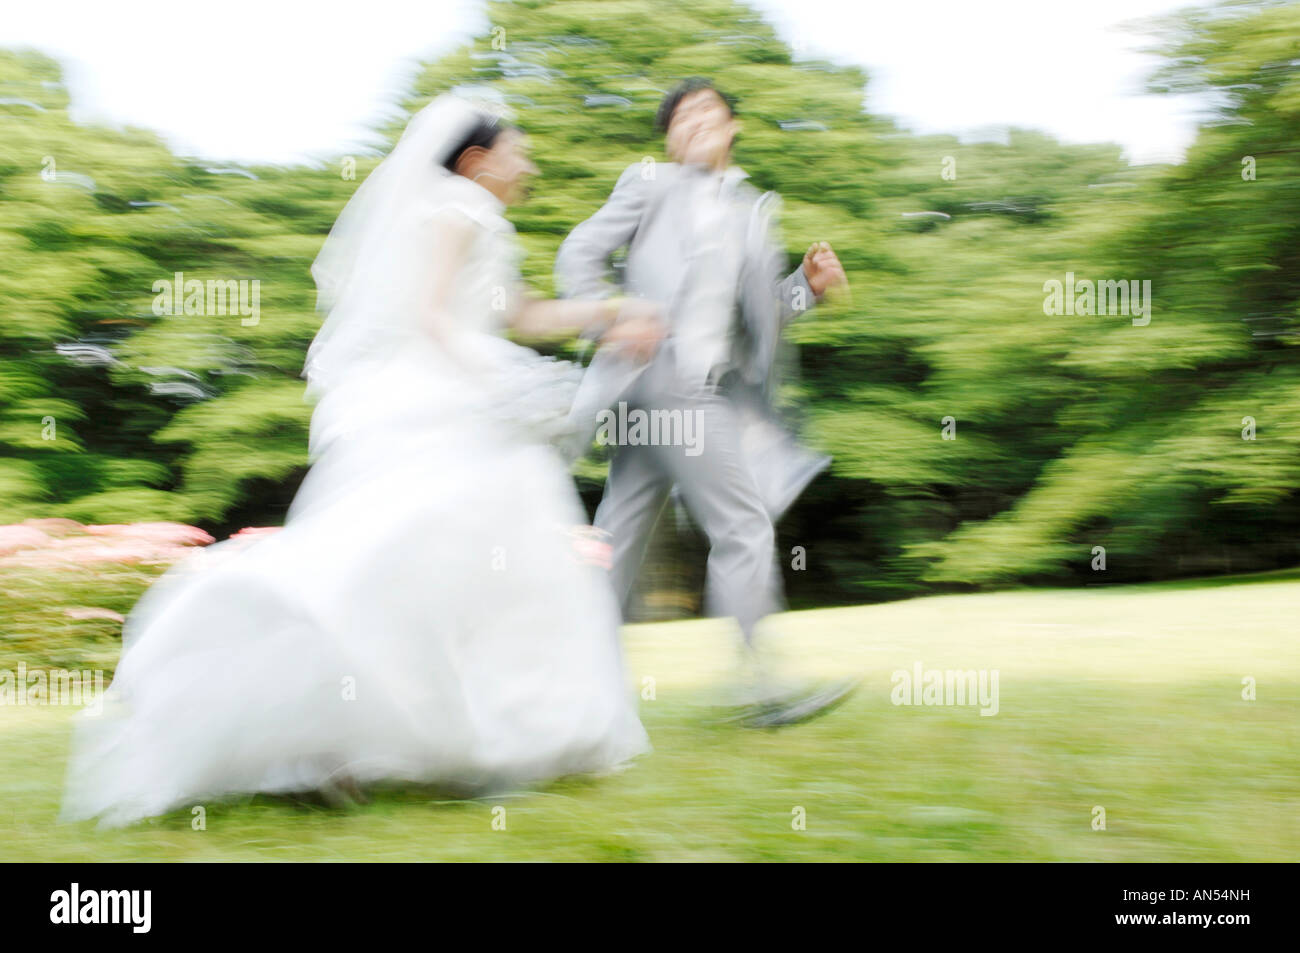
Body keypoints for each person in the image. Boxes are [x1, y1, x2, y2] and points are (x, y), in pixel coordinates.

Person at [61, 92, 662, 828]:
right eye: (518, 149)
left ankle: (414, 739)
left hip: (449, 400)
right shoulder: (457, 208)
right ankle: (325, 730)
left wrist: (612, 313)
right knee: (394, 565)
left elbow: (523, 313)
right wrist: (495, 382)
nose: (528, 162)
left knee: (435, 571)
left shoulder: (477, 219)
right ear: (477, 160)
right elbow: (431, 316)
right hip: (442, 406)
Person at [556, 78, 854, 722]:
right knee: (743, 526)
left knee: (617, 537)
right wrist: (611, 319)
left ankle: (568, 685)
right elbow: (579, 251)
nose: (690, 122)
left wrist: (807, 286)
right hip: (663, 386)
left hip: (679, 397)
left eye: (703, 111)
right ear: (668, 139)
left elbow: (761, 317)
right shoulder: (650, 186)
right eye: (678, 118)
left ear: (731, 124)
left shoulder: (750, 212)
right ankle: (760, 687)